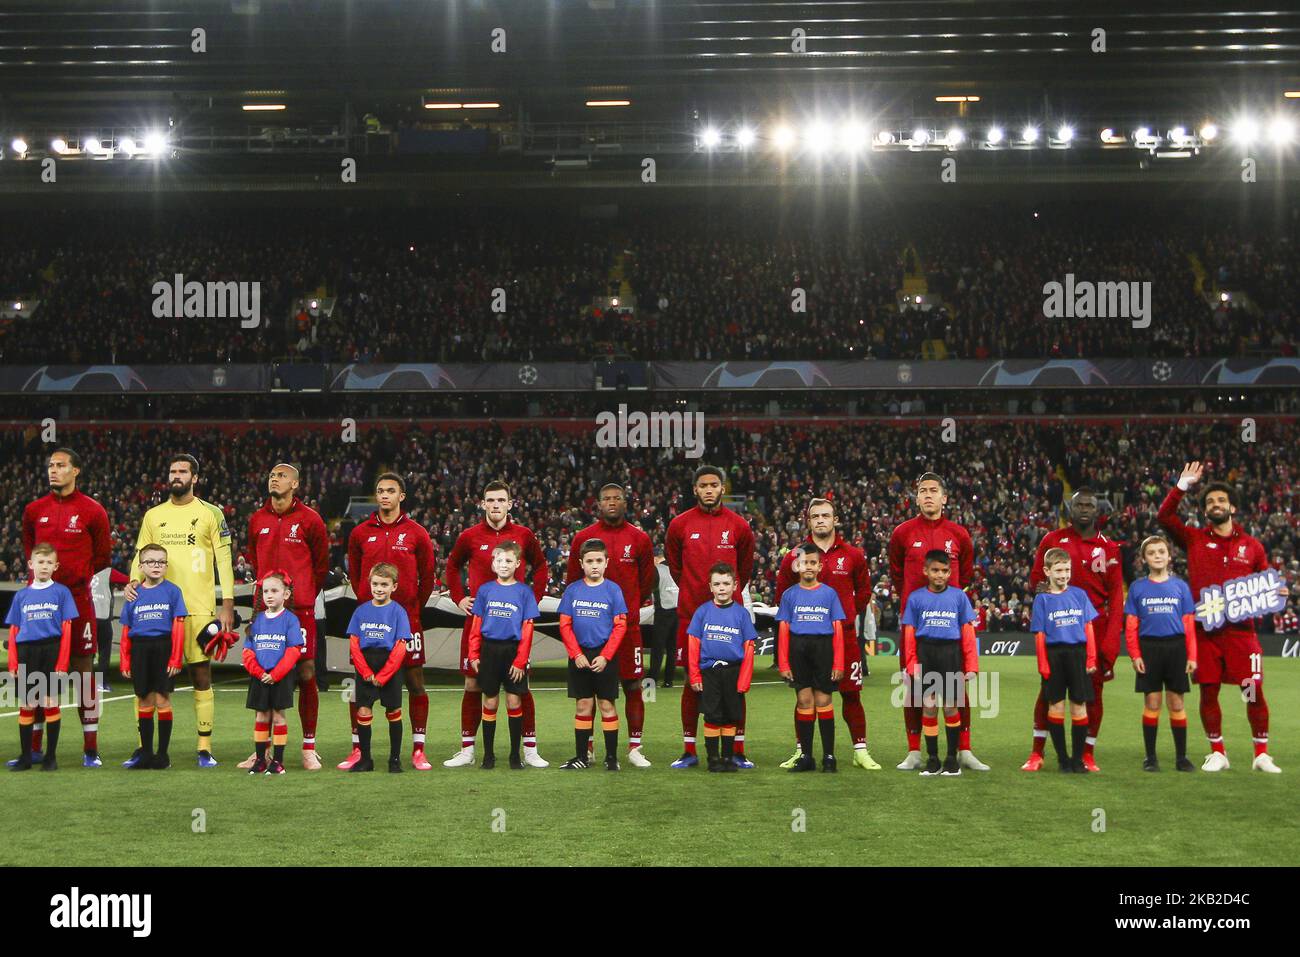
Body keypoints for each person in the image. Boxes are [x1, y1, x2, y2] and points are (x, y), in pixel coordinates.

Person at [1158, 462, 1282, 772]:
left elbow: (1267, 580)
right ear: (1204, 511)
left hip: (1242, 633)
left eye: (1221, 501)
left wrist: (1277, 592)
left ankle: (1261, 754)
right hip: (1205, 632)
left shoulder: (1252, 546)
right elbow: (1164, 517)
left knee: (1252, 691)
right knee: (1208, 689)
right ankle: (1218, 752)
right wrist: (1181, 486)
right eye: (1210, 501)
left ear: (1233, 507)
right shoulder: (1194, 539)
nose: (1216, 504)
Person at [125, 453, 235, 768]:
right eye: (172, 470)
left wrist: (226, 604)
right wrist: (134, 581)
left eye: (183, 471)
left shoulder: (211, 513)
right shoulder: (153, 515)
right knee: (145, 679)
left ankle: (204, 748)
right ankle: (143, 747)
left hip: (199, 608)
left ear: (195, 478)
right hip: (158, 609)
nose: (176, 475)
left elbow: (223, 560)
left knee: (201, 674)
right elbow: (140, 555)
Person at [443, 480, 550, 768]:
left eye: (500, 500)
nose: (495, 505)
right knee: (472, 683)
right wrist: (458, 597)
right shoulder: (469, 536)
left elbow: (541, 567)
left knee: (520, 687)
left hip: (514, 626)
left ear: (510, 504)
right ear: (483, 504)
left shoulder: (524, 535)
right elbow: (452, 566)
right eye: (490, 500)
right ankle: (468, 749)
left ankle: (529, 748)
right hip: (480, 623)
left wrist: (533, 600)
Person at [887, 472, 987, 771]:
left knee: (957, 692)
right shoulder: (902, 533)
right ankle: (915, 751)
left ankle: (963, 751)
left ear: (944, 498)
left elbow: (965, 574)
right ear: (916, 498)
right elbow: (896, 574)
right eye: (922, 491)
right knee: (913, 687)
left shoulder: (959, 534)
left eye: (934, 490)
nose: (928, 495)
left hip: (950, 627)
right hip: (915, 625)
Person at [1020, 488, 1124, 772]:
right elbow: (1034, 580)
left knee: (1093, 693)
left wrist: (1112, 640)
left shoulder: (1110, 547)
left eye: (1090, 504)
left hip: (1094, 628)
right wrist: (1042, 591)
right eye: (1079, 504)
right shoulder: (1052, 540)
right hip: (1057, 628)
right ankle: (1037, 752)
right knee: (1048, 693)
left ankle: (1086, 754)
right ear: (1071, 507)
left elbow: (1116, 597)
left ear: (1098, 509)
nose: (1085, 509)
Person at [19, 448, 110, 768]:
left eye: (60, 466)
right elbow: (30, 549)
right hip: (42, 600)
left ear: (76, 471)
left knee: (83, 672)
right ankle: (34, 748)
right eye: (50, 466)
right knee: (40, 673)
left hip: (77, 600)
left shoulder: (93, 511)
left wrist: (75, 577)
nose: (53, 471)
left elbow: (102, 557)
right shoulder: (33, 511)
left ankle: (90, 749)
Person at [774, 497, 880, 770]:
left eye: (826, 515)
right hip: (805, 641)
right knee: (805, 696)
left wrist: (845, 619)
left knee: (851, 694)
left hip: (842, 637)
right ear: (808, 521)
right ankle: (803, 751)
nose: (821, 520)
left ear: (835, 520)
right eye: (815, 516)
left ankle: (860, 751)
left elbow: (864, 591)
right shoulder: (794, 556)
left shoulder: (853, 555)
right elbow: (782, 594)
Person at [339, 472, 436, 770]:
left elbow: (428, 576)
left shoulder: (417, 533)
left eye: (390, 491)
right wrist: (368, 607)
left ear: (401, 496)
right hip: (369, 621)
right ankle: (358, 750)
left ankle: (418, 749)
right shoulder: (359, 533)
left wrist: (411, 611)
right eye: (380, 490)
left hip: (407, 618)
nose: (384, 495)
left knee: (414, 682)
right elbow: (356, 575)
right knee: (361, 686)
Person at [240, 463, 329, 770]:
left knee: (306, 673)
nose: (274, 479)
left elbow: (320, 565)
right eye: (271, 476)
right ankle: (261, 752)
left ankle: (308, 748)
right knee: (261, 672)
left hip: (299, 609)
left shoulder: (310, 520)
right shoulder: (258, 519)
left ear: (295, 483)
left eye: (281, 476)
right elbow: (254, 558)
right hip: (264, 608)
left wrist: (302, 593)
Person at [666, 465, 755, 769]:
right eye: (703, 485)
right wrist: (694, 591)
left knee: (735, 683)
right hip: (691, 616)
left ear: (722, 488)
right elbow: (677, 569)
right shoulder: (679, 525)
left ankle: (737, 750)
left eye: (714, 485)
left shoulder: (739, 526)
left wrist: (728, 597)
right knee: (692, 684)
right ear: (695, 489)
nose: (708, 490)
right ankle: (690, 750)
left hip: (731, 618)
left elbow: (744, 570)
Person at [564, 483, 654, 766]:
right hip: (590, 630)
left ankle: (634, 747)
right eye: (606, 499)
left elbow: (647, 580)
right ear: (598, 504)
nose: (612, 502)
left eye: (617, 498)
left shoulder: (639, 538)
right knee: (589, 693)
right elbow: (572, 580)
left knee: (633, 684)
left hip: (626, 628)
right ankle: (588, 749)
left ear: (625, 502)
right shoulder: (584, 538)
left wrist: (630, 611)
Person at [900, 551, 979, 776]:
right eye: (935, 570)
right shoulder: (915, 598)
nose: (940, 575)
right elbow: (909, 634)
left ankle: (952, 759)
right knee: (929, 706)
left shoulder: (959, 597)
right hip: (926, 653)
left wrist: (971, 666)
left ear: (950, 572)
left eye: (944, 571)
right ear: (926, 571)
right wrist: (912, 662)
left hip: (950, 654)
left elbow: (967, 632)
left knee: (951, 706)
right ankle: (932, 758)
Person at [1124, 535, 1198, 772]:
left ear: (1169, 556)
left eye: (1161, 552)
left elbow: (1188, 624)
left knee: (1176, 703)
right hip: (1149, 649)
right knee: (1152, 702)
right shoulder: (1137, 587)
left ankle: (1181, 758)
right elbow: (1131, 626)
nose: (1157, 556)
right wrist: (1135, 655)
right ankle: (1151, 758)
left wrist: (1192, 655)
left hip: (1176, 648)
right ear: (1144, 559)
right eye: (1152, 553)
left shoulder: (1180, 587)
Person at [466, 542, 540, 770]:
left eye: (509, 561)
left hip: (513, 651)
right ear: (493, 563)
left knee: (514, 700)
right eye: (499, 560)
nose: (504, 564)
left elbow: (528, 629)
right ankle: (488, 756)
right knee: (489, 701)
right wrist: (473, 653)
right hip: (489, 651)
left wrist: (520, 660)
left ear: (517, 564)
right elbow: (476, 625)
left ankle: (514, 756)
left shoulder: (524, 592)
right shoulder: (485, 590)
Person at [558, 539, 628, 770]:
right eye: (590, 561)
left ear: (606, 562)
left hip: (604, 655)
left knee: (607, 704)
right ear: (582, 563)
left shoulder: (613, 590)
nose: (594, 565)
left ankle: (611, 758)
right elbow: (565, 625)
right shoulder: (573, 590)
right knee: (583, 705)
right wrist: (576, 654)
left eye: (599, 561)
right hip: (580, 654)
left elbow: (620, 626)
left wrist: (606, 656)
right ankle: (581, 757)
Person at [5, 543, 77, 771]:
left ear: (56, 566)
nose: (44, 566)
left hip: (51, 650)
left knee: (49, 703)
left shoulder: (62, 592)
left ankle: (50, 757)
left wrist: (62, 662)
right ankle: (26, 757)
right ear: (31, 564)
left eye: (49, 563)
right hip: (27, 651)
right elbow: (15, 630)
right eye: (40, 562)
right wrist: (13, 662)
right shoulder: (21, 595)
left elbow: (67, 630)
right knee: (27, 704)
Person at [776, 546, 846, 773]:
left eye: (812, 563)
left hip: (823, 649)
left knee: (823, 701)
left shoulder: (829, 594)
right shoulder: (789, 595)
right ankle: (806, 757)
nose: (808, 567)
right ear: (797, 566)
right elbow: (784, 629)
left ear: (819, 566)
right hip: (798, 649)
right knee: (805, 701)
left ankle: (829, 756)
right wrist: (784, 663)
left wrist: (838, 663)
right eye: (804, 563)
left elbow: (837, 629)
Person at [119, 545, 187, 770]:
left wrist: (176, 658)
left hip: (163, 647)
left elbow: (179, 626)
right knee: (144, 699)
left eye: (160, 562)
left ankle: (163, 755)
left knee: (162, 700)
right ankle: (146, 753)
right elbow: (126, 630)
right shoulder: (133, 594)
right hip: (140, 649)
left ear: (166, 566)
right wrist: (125, 660)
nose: (156, 565)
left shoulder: (173, 591)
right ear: (140, 567)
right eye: (151, 562)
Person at [1030, 548, 1098, 773]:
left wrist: (1091, 657)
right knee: (1056, 707)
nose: (1063, 574)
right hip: (1054, 655)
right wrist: (1043, 665)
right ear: (1047, 571)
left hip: (1077, 654)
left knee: (1079, 707)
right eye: (1058, 570)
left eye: (1067, 569)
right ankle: (1062, 760)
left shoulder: (1079, 595)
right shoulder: (1042, 600)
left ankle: (1078, 759)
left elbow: (1088, 627)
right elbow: (1039, 635)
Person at [686, 563, 756, 773]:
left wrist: (744, 679)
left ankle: (727, 758)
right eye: (717, 584)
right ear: (710, 587)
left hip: (733, 672)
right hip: (710, 672)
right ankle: (713, 758)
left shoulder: (741, 614)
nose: (722, 588)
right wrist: (695, 675)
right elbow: (693, 645)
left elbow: (749, 647)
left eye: (726, 583)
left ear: (735, 585)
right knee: (712, 715)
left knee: (730, 715)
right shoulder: (702, 612)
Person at [344, 564, 410, 773]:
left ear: (394, 586)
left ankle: (394, 760)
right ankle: (365, 760)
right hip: (366, 663)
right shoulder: (361, 611)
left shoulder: (399, 612)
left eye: (384, 584)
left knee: (394, 710)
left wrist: (384, 675)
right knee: (363, 710)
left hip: (389, 664)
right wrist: (365, 672)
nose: (379, 588)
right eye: (375, 584)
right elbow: (354, 644)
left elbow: (401, 646)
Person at [240, 571, 303, 775]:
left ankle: (278, 761)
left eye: (274, 590)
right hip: (260, 676)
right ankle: (260, 760)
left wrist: (275, 674)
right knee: (261, 717)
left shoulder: (291, 620)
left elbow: (294, 650)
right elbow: (248, 651)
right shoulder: (257, 620)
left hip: (280, 677)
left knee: (278, 717)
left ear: (285, 594)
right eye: (265, 591)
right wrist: (259, 673)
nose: (269, 595)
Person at [649, 548, 679, 687]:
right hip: (677, 611)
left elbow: (650, 588)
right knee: (672, 648)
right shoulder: (676, 568)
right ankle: (668, 680)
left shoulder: (657, 570)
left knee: (658, 647)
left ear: (655, 558)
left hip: (663, 611)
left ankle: (653, 679)